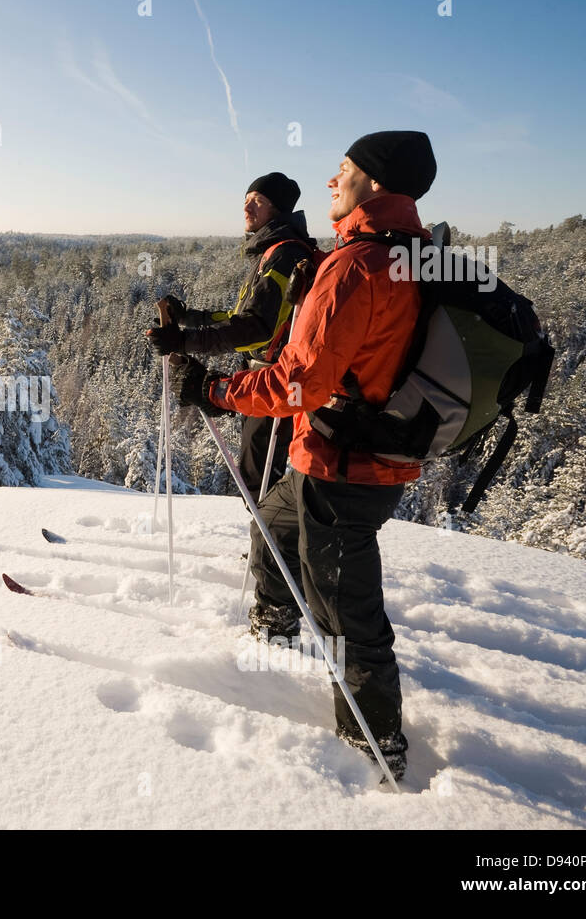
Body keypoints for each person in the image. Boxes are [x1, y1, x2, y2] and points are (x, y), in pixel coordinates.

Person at [166, 131, 438, 781]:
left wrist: (215, 390)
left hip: (345, 469)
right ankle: (275, 639)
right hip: (341, 457)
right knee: (271, 527)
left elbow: (297, 379)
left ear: (372, 180)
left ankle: (374, 747)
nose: (331, 181)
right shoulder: (412, 256)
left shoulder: (357, 267)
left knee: (347, 613)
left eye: (342, 170)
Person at [147, 172, 316, 496]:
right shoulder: (275, 251)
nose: (247, 207)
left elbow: (256, 330)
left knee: (259, 483)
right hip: (268, 380)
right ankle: (266, 547)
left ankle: (269, 548)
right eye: (246, 200)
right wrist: (191, 318)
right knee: (258, 480)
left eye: (258, 201)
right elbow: (243, 318)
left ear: (277, 210)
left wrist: (183, 341)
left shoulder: (283, 255)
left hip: (273, 382)